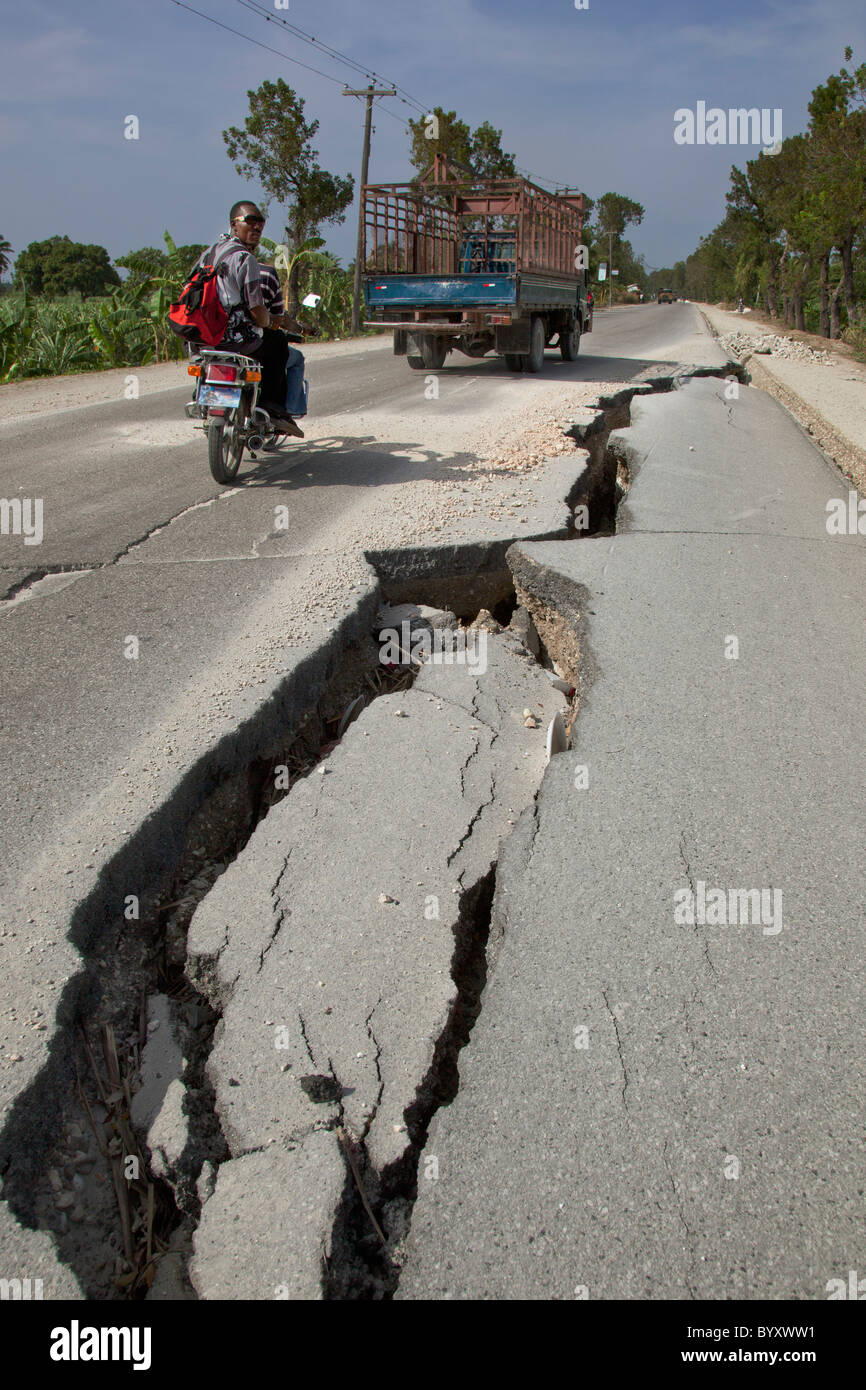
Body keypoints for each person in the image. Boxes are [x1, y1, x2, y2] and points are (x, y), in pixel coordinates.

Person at [192, 201, 302, 435]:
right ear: (234, 225)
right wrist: (269, 321)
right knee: (277, 342)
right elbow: (257, 311)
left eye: (260, 223)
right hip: (236, 339)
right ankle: (271, 409)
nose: (257, 227)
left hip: (205, 338)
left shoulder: (208, 254)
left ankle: (203, 396)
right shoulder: (245, 259)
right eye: (250, 221)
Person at [256, 262, 309, 427]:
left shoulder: (215, 269)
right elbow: (280, 319)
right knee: (295, 357)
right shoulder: (266, 274)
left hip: (222, 344)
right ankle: (290, 409)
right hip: (256, 344)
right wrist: (301, 329)